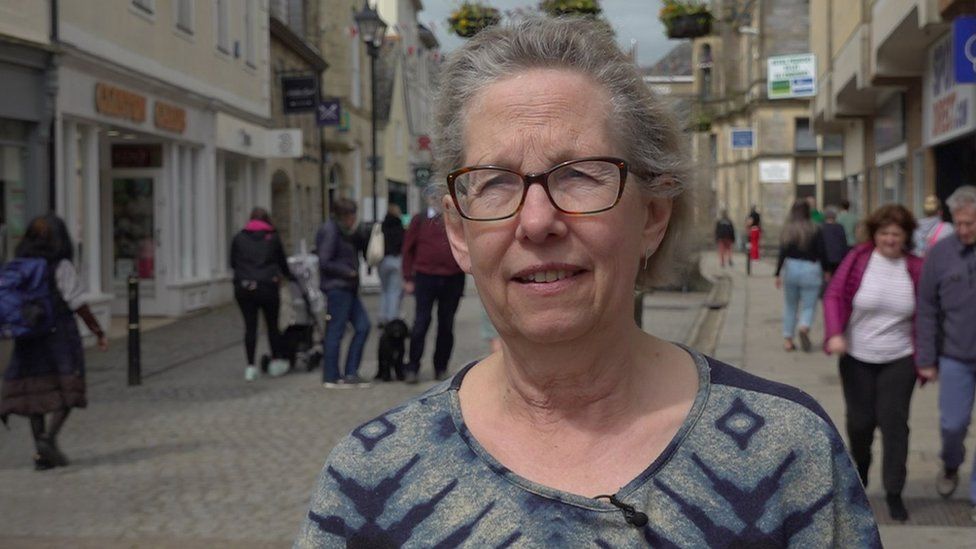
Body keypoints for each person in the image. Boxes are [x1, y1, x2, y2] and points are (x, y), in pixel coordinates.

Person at [296, 17, 880, 547]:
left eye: (579, 174)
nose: (537, 221)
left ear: (653, 214)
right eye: (496, 182)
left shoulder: (785, 456)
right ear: (456, 230)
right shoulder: (369, 481)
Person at [822, 204, 923, 522]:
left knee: (894, 425)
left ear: (906, 236)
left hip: (900, 358)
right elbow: (834, 295)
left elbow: (930, 311)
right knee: (860, 423)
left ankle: (894, 491)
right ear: (875, 234)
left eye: (896, 233)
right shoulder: (859, 259)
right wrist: (835, 333)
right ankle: (861, 472)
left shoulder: (917, 267)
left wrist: (929, 355)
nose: (890, 239)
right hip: (857, 356)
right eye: (884, 233)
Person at [0, 214, 108, 470]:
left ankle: (41, 455)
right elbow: (77, 302)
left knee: (35, 392)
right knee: (68, 387)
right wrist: (98, 331)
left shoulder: (20, 265)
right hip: (59, 334)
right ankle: (49, 439)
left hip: (29, 336)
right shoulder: (60, 266)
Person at [916, 185, 976, 523]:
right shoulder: (940, 253)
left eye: (971, 223)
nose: (965, 229)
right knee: (953, 425)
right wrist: (926, 357)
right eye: (960, 222)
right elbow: (926, 307)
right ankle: (951, 463)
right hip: (955, 354)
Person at [401, 196, 465, 384]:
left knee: (446, 324)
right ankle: (412, 366)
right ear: (430, 199)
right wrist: (407, 277)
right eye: (434, 196)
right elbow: (407, 249)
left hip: (452, 277)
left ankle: (441, 367)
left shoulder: (455, 219)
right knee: (421, 322)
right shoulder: (420, 220)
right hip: (425, 276)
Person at [229, 207, 293, 381]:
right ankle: (275, 361)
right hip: (267, 286)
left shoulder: (239, 238)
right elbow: (282, 263)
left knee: (250, 327)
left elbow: (233, 262)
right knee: (272, 325)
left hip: (244, 287)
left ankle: (250, 367)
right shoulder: (272, 238)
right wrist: (289, 277)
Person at [316, 198, 371, 388]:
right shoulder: (331, 231)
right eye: (351, 216)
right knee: (335, 331)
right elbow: (324, 260)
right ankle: (331, 376)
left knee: (363, 326)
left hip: (348, 287)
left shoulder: (345, 232)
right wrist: (347, 271)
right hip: (338, 287)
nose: (353, 220)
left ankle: (350, 372)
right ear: (343, 216)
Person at [775, 200, 827, 352]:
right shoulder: (815, 228)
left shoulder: (788, 230)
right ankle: (804, 326)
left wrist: (777, 273)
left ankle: (788, 340)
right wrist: (826, 271)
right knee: (809, 305)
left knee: (790, 306)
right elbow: (822, 251)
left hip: (791, 267)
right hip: (811, 268)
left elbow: (782, 252)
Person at [378, 203, 405, 326]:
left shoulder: (381, 226)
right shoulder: (400, 227)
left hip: (382, 261)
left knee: (384, 289)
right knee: (394, 291)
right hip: (396, 260)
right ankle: (391, 318)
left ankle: (382, 316)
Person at [821, 206, 851, 276]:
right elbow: (844, 243)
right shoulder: (840, 227)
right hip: (837, 257)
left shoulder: (821, 227)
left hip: (825, 258)